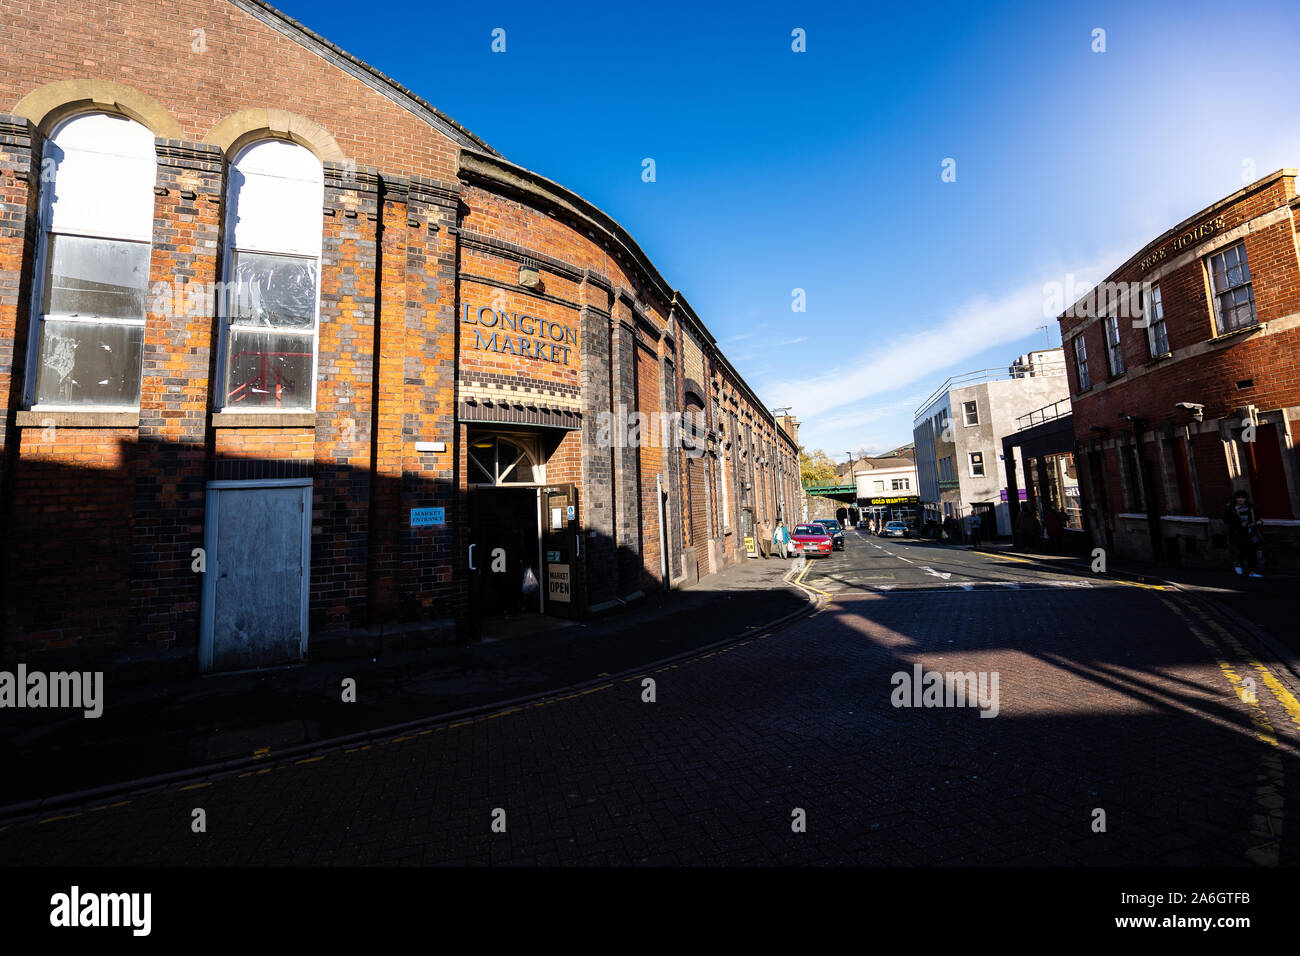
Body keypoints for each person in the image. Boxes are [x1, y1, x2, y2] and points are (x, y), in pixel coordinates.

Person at [1223, 489, 1264, 578]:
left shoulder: (1251, 507)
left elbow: (1257, 517)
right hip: (1237, 533)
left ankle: (1252, 572)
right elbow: (1226, 521)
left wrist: (1259, 521)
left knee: (1252, 550)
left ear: (1246, 498)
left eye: (1243, 498)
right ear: (1235, 498)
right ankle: (1238, 563)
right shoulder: (1230, 508)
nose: (1241, 499)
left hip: (1250, 531)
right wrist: (1239, 524)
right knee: (1245, 550)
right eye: (1238, 497)